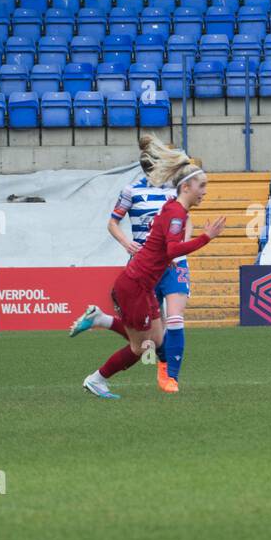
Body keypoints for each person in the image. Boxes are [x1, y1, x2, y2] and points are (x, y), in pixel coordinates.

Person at [69, 137, 225, 399]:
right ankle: (96, 379)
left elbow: (171, 241)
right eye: (202, 186)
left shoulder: (174, 207)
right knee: (142, 347)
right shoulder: (172, 209)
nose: (205, 191)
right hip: (136, 285)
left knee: (157, 340)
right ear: (186, 187)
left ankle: (102, 320)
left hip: (140, 284)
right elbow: (172, 249)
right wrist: (206, 237)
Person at [81, 136, 191, 392]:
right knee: (148, 339)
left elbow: (187, 221)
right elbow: (112, 222)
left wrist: (179, 248)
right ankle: (105, 323)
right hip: (144, 267)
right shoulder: (132, 191)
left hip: (174, 264)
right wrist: (125, 243)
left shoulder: (174, 192)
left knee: (175, 318)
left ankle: (170, 376)